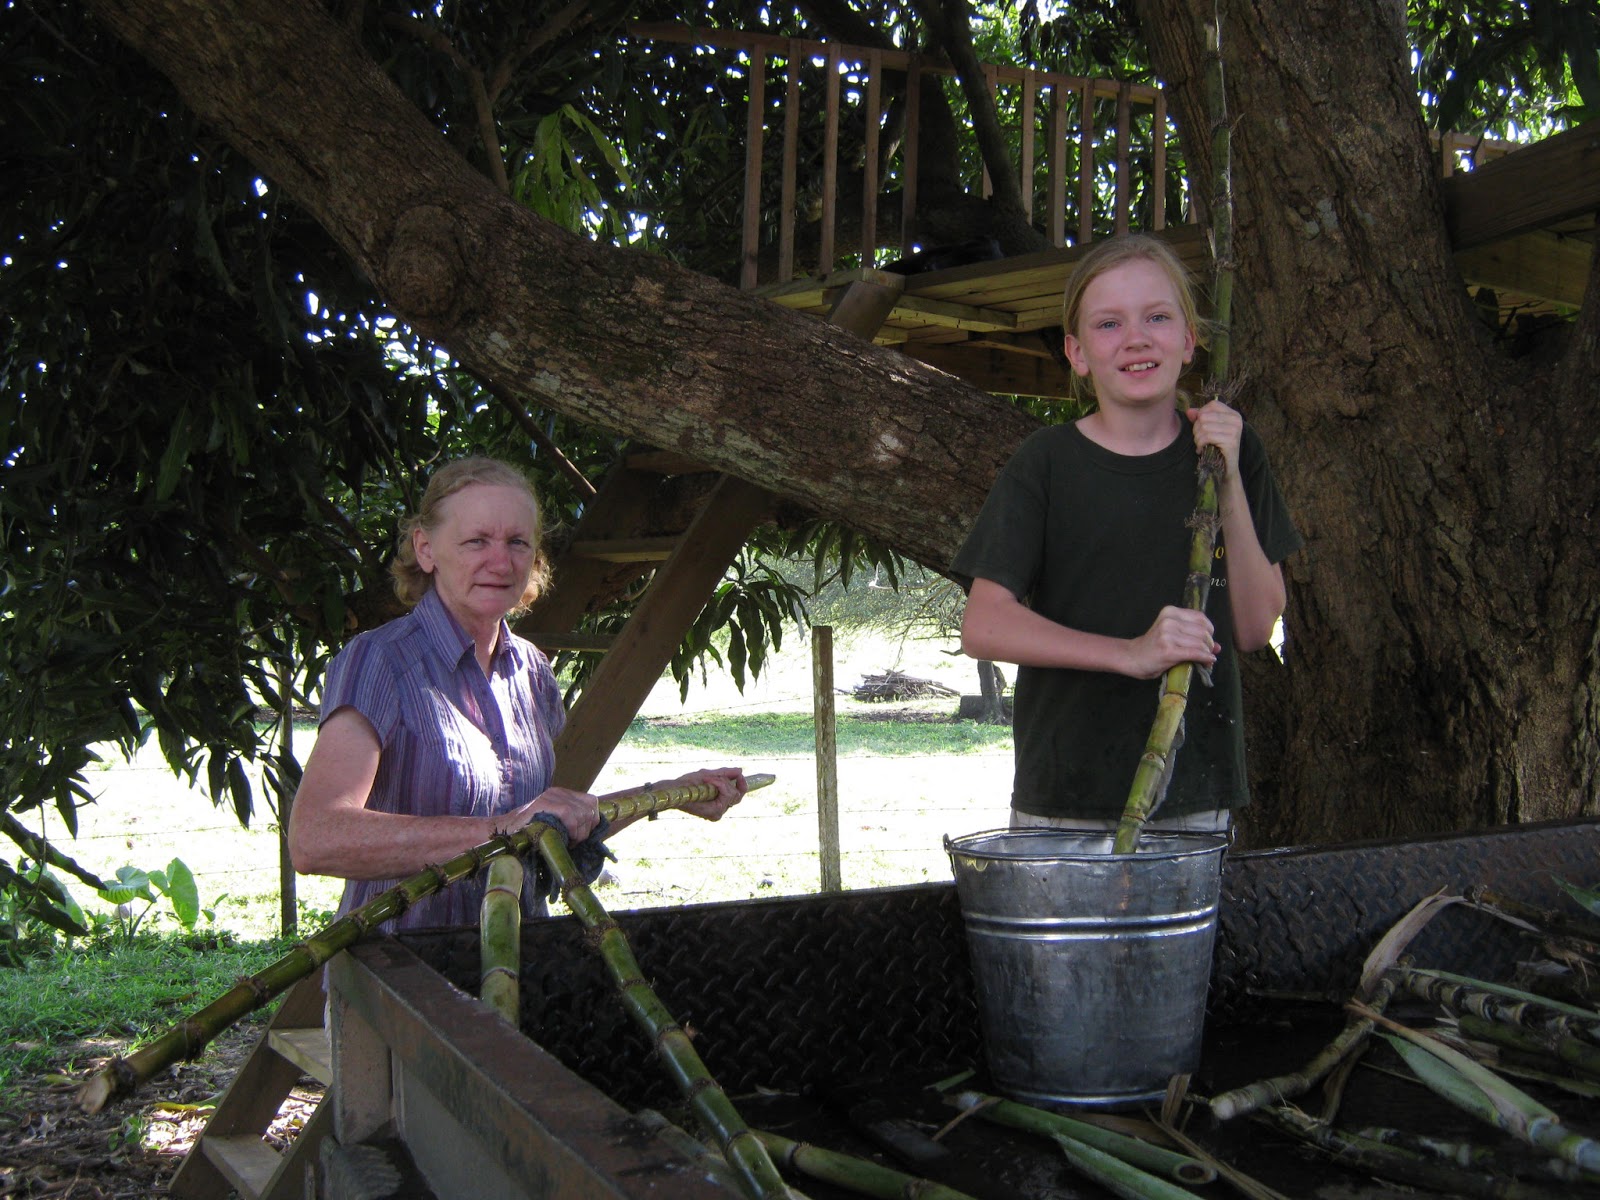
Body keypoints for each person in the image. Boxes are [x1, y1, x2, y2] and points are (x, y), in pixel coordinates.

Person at [287, 456, 746, 928]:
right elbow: (316, 838)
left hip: (522, 967)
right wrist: (501, 830)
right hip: (404, 979)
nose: (501, 561)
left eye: (517, 543)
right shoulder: (380, 660)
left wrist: (670, 794)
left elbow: (545, 823)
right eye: (476, 541)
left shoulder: (531, 670)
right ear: (425, 549)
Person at [952, 234, 1302, 832]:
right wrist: (1131, 654)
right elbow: (984, 625)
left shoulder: (1231, 454)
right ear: (1077, 351)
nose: (1136, 338)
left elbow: (1253, 626)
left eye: (1158, 317)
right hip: (1064, 796)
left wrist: (1230, 475)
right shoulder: (1046, 461)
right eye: (1109, 324)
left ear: (1190, 341)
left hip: (1194, 794)